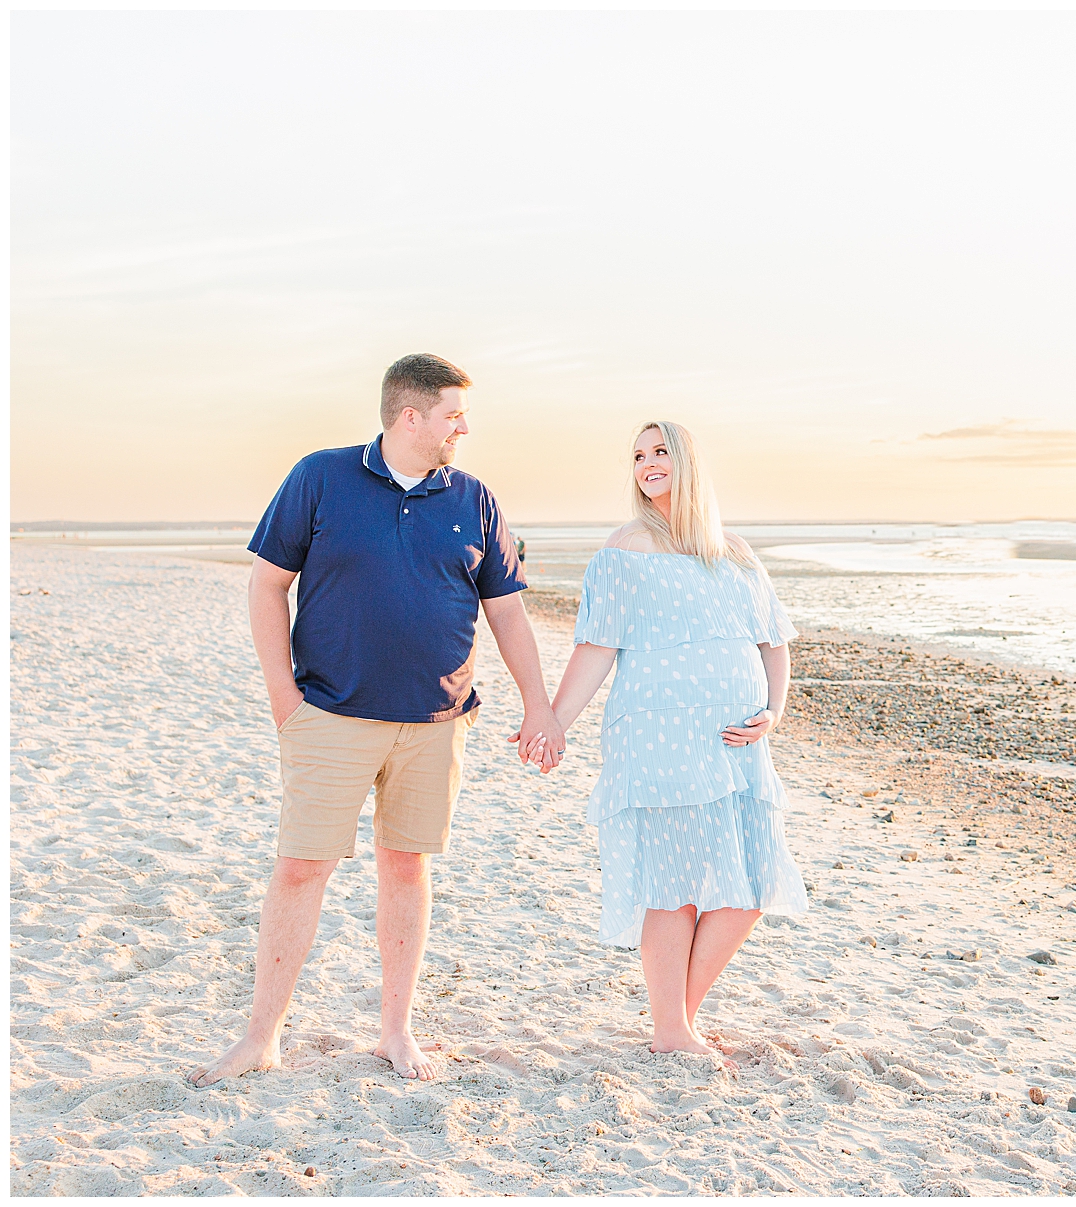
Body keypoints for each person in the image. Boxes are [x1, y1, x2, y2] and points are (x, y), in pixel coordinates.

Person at [189, 354, 565, 1087]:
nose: (464, 428)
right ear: (409, 416)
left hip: (436, 720)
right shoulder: (320, 477)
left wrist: (539, 703)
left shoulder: (475, 497)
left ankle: (396, 1030)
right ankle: (261, 1036)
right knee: (301, 868)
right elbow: (267, 585)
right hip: (329, 714)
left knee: (407, 865)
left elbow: (508, 611)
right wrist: (283, 697)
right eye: (454, 415)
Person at [534, 420, 807, 1054]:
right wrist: (554, 721)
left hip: (737, 745)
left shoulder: (734, 551)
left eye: (660, 452)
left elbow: (773, 642)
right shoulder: (626, 547)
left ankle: (677, 1022)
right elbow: (597, 646)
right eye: (638, 456)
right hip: (659, 735)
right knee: (674, 885)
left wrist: (774, 712)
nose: (647, 463)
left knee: (749, 888)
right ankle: (672, 1029)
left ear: (688, 462)